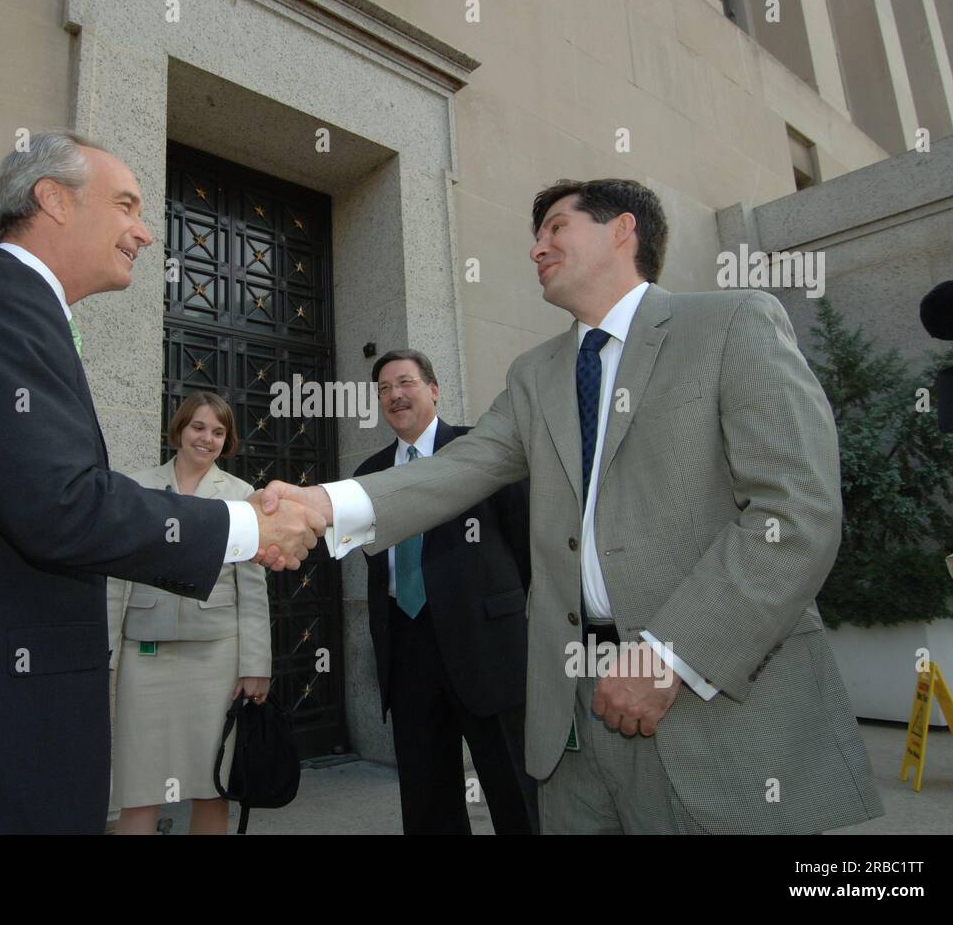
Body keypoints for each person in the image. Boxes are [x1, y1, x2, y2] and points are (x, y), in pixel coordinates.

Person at [262, 178, 885, 834]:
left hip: (709, 690)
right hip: (572, 714)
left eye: (556, 227)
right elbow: (457, 470)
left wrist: (672, 653)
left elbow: (794, 514)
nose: (537, 248)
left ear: (622, 230)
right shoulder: (535, 375)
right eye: (536, 235)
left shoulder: (732, 325)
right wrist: (320, 504)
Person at [0, 131, 323, 834]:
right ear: (52, 200)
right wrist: (249, 523)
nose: (146, 232)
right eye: (126, 205)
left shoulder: (0, 303)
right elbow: (59, 503)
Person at [354, 349, 536, 834]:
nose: (395, 395)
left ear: (433, 389)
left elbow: (525, 545)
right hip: (407, 646)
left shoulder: (483, 451)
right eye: (384, 389)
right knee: (427, 797)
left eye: (405, 382)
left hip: (488, 647)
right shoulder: (367, 475)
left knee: (514, 789)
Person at [108, 392, 271, 835]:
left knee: (210, 786)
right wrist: (104, 651)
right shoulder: (136, 487)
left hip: (216, 657)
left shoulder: (242, 496)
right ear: (179, 429)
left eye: (218, 432)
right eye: (198, 427)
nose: (207, 438)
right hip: (145, 653)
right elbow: (114, 577)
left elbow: (252, 589)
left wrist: (256, 665)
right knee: (137, 787)